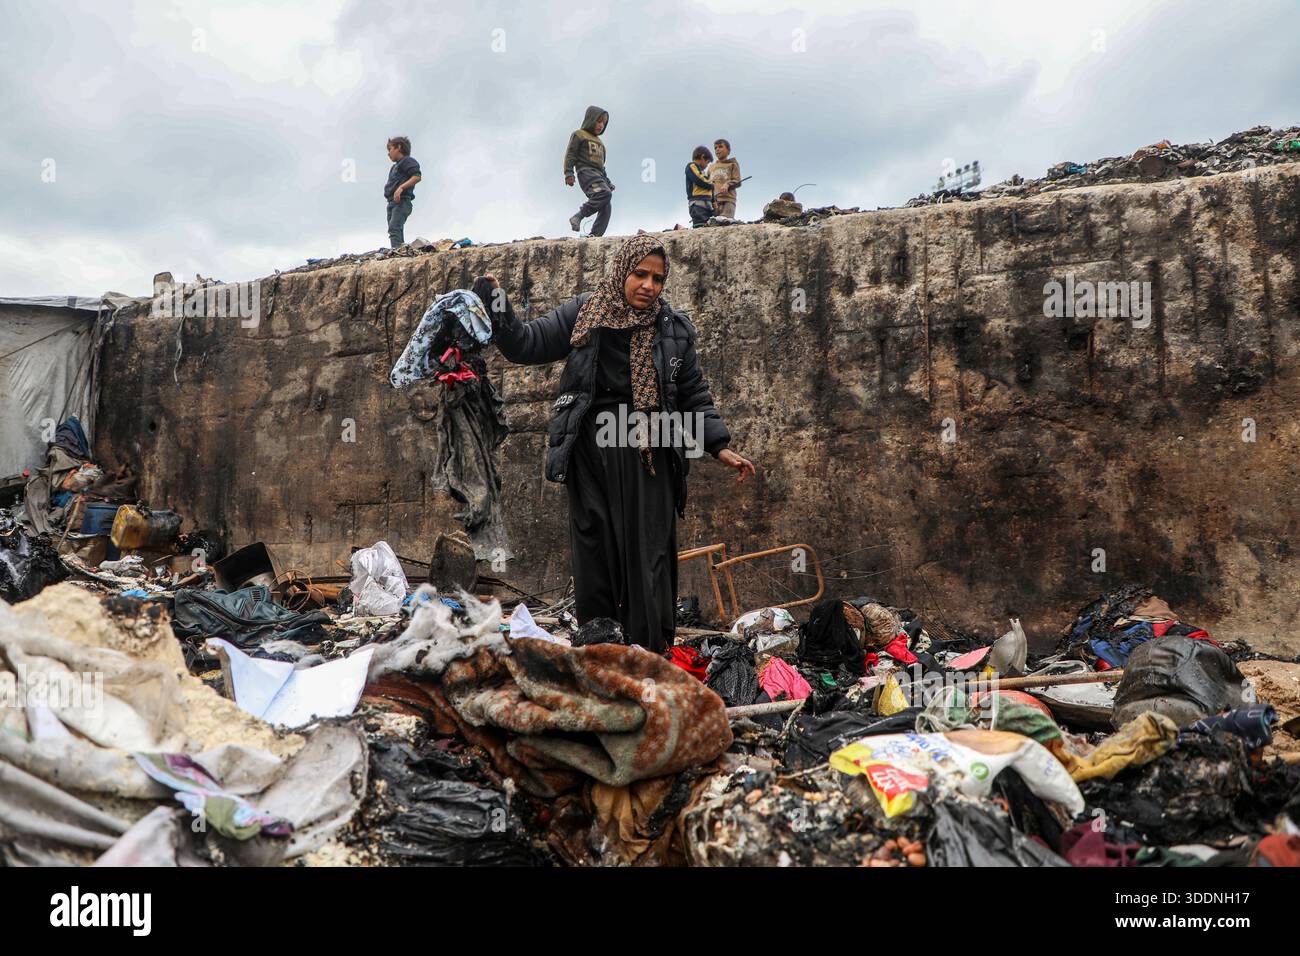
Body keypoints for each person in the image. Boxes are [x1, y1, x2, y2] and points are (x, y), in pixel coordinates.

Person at [482, 235, 755, 653]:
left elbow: (692, 393)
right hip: (590, 447)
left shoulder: (673, 330)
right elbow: (527, 343)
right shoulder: (585, 312)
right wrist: (497, 302)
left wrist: (718, 446)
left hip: (650, 449)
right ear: (621, 271)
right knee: (594, 549)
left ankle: (648, 652)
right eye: (640, 274)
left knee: (647, 552)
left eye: (658, 279)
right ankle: (601, 649)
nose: (649, 285)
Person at [564, 106, 614, 237]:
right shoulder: (579, 135)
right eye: (598, 121)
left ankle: (595, 236)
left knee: (606, 204)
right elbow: (570, 155)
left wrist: (608, 182)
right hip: (586, 172)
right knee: (604, 193)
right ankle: (578, 216)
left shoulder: (601, 144)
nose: (601, 125)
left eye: (603, 122)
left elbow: (602, 167)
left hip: (598, 175)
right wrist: (568, 173)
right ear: (591, 120)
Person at [383, 136, 422, 249]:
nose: (388, 153)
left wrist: (401, 188)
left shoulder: (407, 161)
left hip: (402, 201)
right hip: (392, 202)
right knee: (394, 229)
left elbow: (417, 176)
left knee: (394, 227)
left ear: (398, 147)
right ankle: (399, 249)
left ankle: (398, 252)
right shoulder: (394, 167)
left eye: (390, 149)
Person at [707, 139, 741, 219]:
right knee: (713, 224)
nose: (717, 149)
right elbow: (707, 184)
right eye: (715, 148)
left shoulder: (732, 164)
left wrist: (727, 184)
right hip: (714, 202)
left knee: (725, 222)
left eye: (720, 147)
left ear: (728, 151)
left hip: (728, 200)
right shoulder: (711, 167)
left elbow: (737, 181)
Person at [686, 146, 714, 227]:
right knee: (700, 225)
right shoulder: (691, 166)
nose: (707, 165)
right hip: (697, 205)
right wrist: (711, 184)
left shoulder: (703, 172)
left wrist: (713, 201)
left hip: (707, 204)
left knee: (709, 225)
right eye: (707, 162)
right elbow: (699, 180)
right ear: (702, 157)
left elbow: (710, 189)